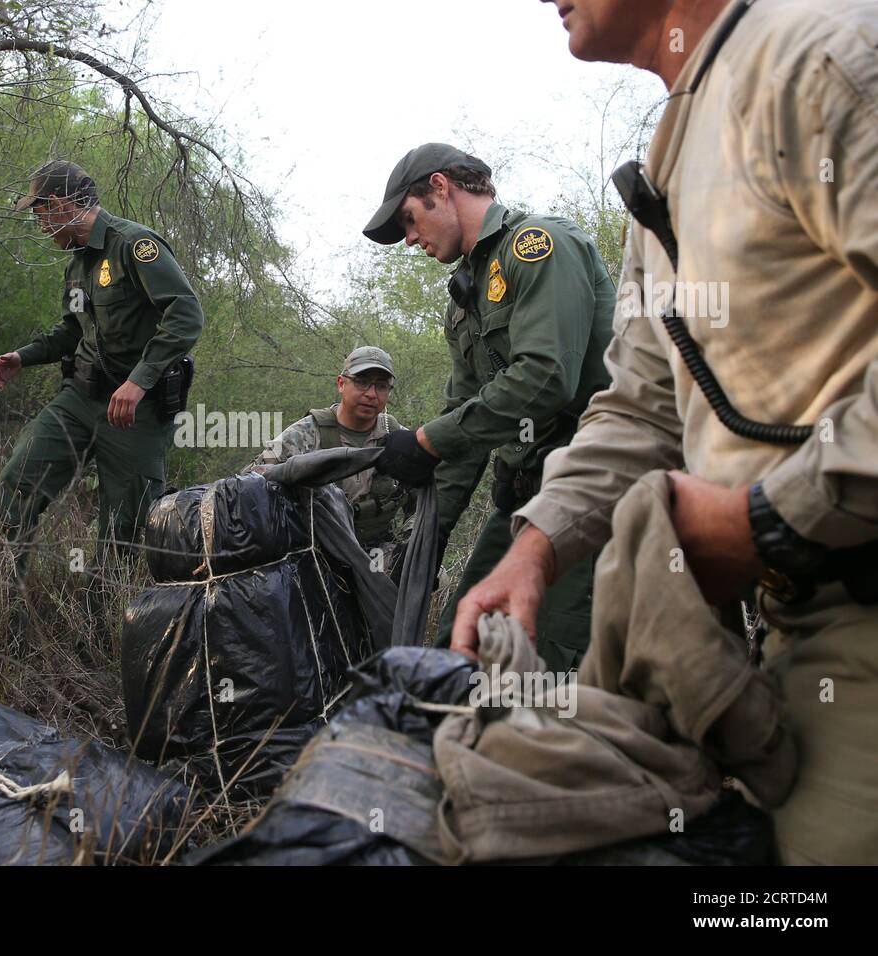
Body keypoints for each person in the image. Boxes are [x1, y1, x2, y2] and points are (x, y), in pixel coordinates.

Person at [450, 0, 878, 863]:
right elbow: (640, 404)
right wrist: (536, 549)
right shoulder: (675, 148)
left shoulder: (821, 58)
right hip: (780, 625)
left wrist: (769, 519)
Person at [362, 143, 615, 670]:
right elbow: (463, 433)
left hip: (592, 487)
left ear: (440, 187)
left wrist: (429, 439)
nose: (411, 240)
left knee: (547, 662)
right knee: (458, 648)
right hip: (521, 498)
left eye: (409, 221)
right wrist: (426, 543)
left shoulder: (539, 246)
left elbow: (546, 378)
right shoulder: (463, 302)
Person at [0, 161, 204, 574]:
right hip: (80, 400)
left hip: (134, 413)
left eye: (38, 213)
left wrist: (139, 381)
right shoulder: (77, 267)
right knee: (17, 485)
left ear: (56, 205)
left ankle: (99, 631)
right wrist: (23, 356)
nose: (39, 225)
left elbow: (186, 313)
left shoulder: (134, 245)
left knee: (123, 535)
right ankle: (6, 611)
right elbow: (72, 331)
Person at [249, 346, 413, 574]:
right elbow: (251, 481)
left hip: (374, 553)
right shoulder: (305, 433)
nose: (371, 394)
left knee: (431, 574)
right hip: (315, 552)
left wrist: (409, 546)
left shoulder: (397, 438)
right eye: (362, 382)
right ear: (341, 384)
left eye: (381, 386)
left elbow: (424, 500)